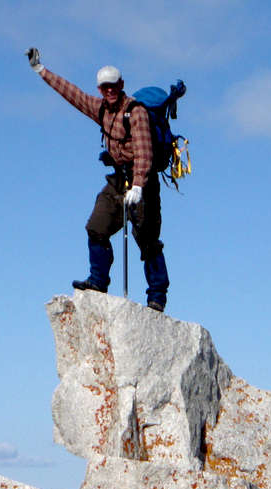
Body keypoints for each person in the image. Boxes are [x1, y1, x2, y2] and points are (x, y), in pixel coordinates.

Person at [26, 47, 169, 312]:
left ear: (121, 85)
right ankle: (98, 281)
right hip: (118, 180)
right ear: (101, 89)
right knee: (96, 227)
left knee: (148, 239)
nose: (109, 91)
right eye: (105, 87)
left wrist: (138, 185)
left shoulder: (134, 112)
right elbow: (73, 95)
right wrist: (41, 70)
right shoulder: (101, 109)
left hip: (142, 182)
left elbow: (145, 151)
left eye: (113, 86)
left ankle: (157, 296)